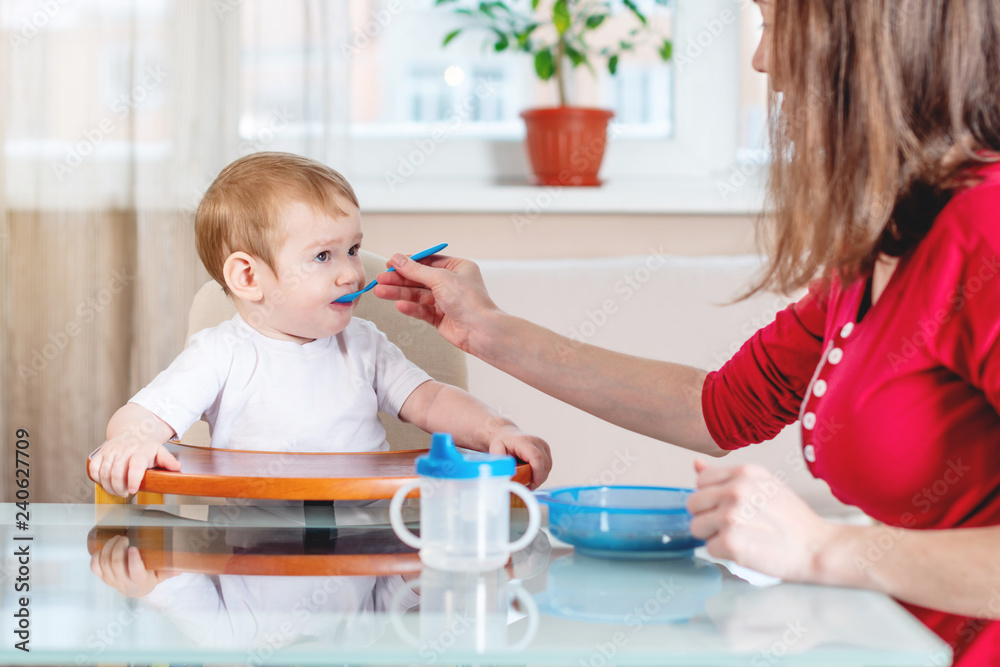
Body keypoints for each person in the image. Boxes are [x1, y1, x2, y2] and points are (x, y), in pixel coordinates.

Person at [372, 0, 1000, 664]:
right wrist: (488, 330)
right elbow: (722, 405)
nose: (764, 62)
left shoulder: (984, 227)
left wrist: (824, 546)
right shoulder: (885, 245)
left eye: (772, 25)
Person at [88, 152, 551, 498]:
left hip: (366, 537)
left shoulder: (364, 345)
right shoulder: (218, 354)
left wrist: (495, 429)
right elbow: (143, 415)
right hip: (252, 547)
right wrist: (132, 440)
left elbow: (430, 400)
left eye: (353, 249)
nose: (351, 272)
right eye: (324, 256)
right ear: (248, 277)